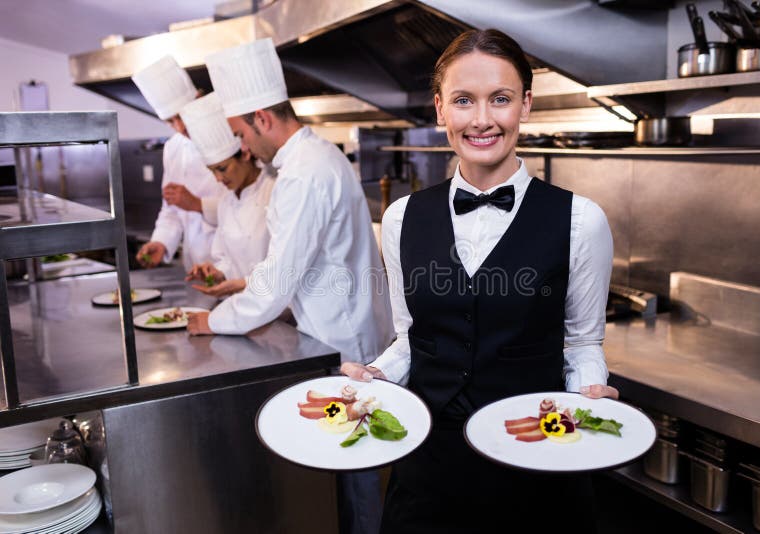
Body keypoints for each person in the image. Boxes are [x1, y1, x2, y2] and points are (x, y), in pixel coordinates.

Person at [341, 29, 616, 533]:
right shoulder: (401, 217)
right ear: (441, 109)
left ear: (526, 104)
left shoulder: (582, 220)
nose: (482, 119)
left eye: (501, 99)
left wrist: (588, 397)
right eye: (464, 100)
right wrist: (377, 375)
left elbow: (581, 344)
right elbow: (410, 338)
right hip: (429, 470)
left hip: (535, 463)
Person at [188, 38, 394, 534]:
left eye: (240, 133)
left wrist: (213, 320)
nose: (242, 147)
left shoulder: (303, 175)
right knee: (351, 463)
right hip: (343, 327)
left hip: (342, 337)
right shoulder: (315, 158)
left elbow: (278, 280)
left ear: (262, 118)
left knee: (357, 467)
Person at [131, 55, 226, 272]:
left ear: (199, 99)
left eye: (182, 116)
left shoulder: (232, 138)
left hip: (236, 267)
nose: (180, 128)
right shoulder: (173, 148)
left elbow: (251, 208)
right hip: (196, 268)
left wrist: (198, 205)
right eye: (171, 121)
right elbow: (172, 209)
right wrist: (161, 242)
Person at [179, 92, 275, 299]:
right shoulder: (226, 201)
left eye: (222, 168)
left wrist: (243, 284)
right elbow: (226, 259)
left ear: (245, 154)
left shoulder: (275, 191)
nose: (218, 179)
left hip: (278, 308)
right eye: (212, 171)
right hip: (241, 306)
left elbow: (285, 267)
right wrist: (218, 273)